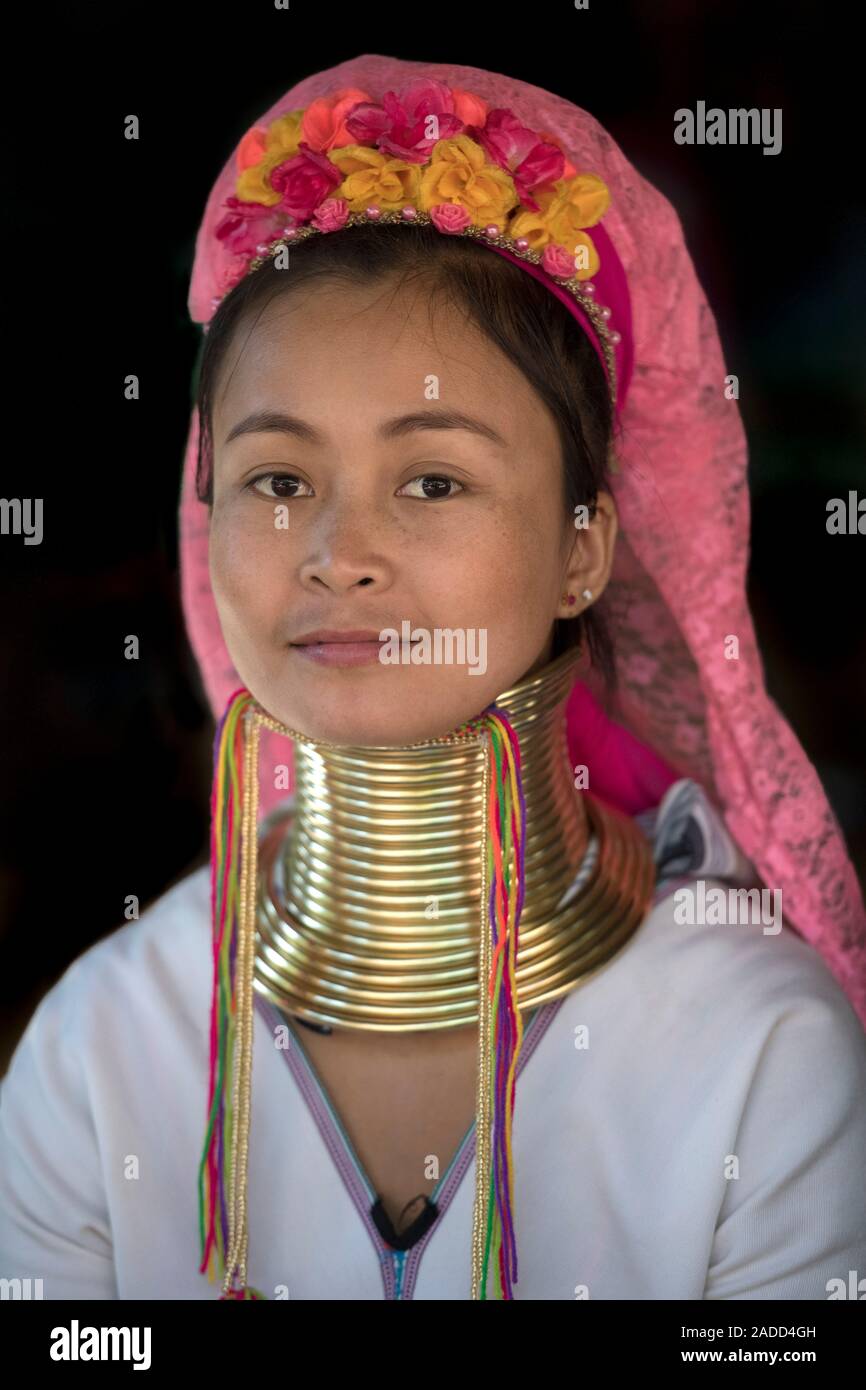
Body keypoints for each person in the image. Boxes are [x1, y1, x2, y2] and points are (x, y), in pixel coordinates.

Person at [1, 54, 865, 1302]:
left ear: (582, 549)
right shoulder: (101, 1049)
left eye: (434, 481)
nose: (338, 555)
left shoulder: (757, 1053)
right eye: (278, 480)